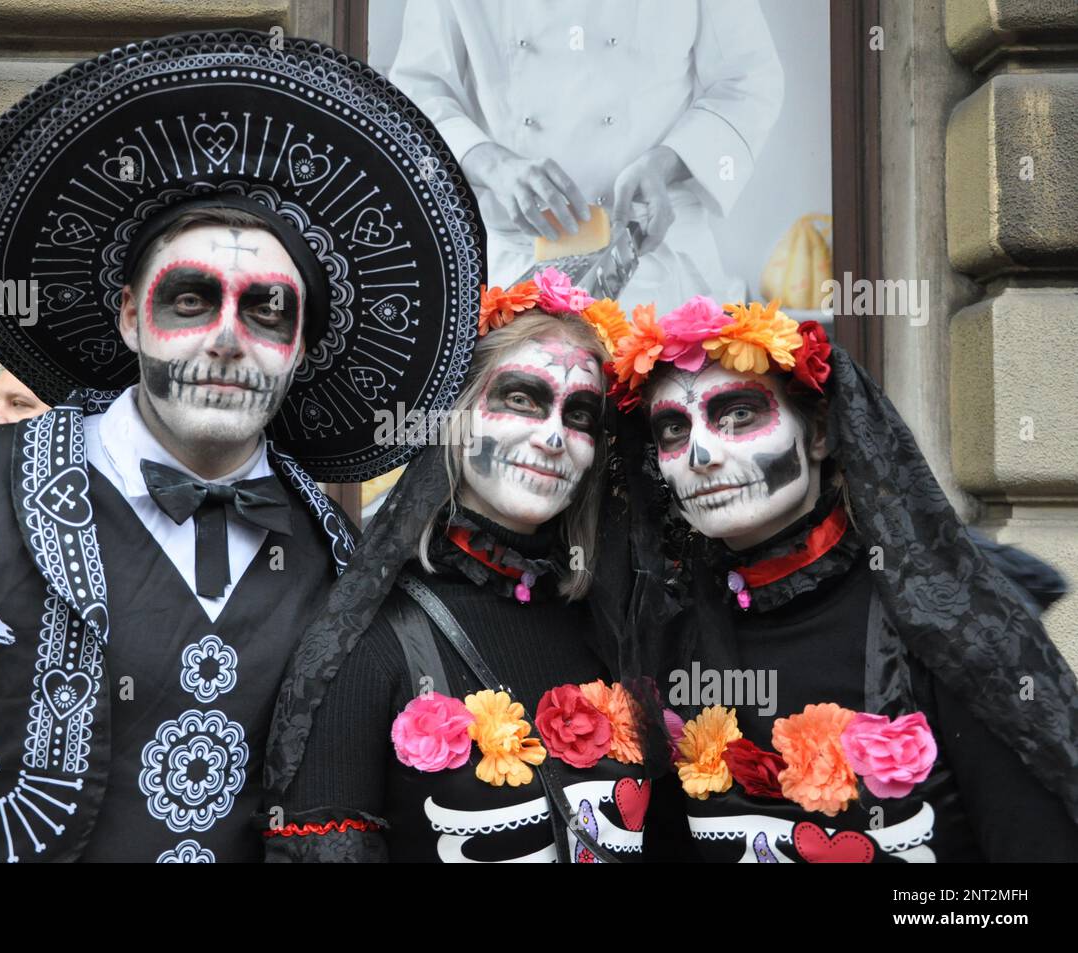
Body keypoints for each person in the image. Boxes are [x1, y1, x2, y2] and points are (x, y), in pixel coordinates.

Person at [0, 30, 484, 863]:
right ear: (128, 314)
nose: (226, 338)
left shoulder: (339, 562)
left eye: (267, 310)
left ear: (301, 347)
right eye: (190, 298)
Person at [600, 295, 1078, 861]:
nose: (701, 452)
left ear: (821, 433)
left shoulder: (944, 622)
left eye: (739, 414)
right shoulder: (670, 635)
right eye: (674, 430)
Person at [262, 268, 668, 862]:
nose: (553, 437)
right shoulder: (369, 639)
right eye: (521, 399)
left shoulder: (613, 626)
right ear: (456, 417)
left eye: (579, 415)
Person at [389, 0, 784, 312]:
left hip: (655, 261)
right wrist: (493, 164)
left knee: (666, 410)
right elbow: (417, 92)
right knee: (530, 408)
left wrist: (666, 163)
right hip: (518, 267)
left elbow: (749, 80)